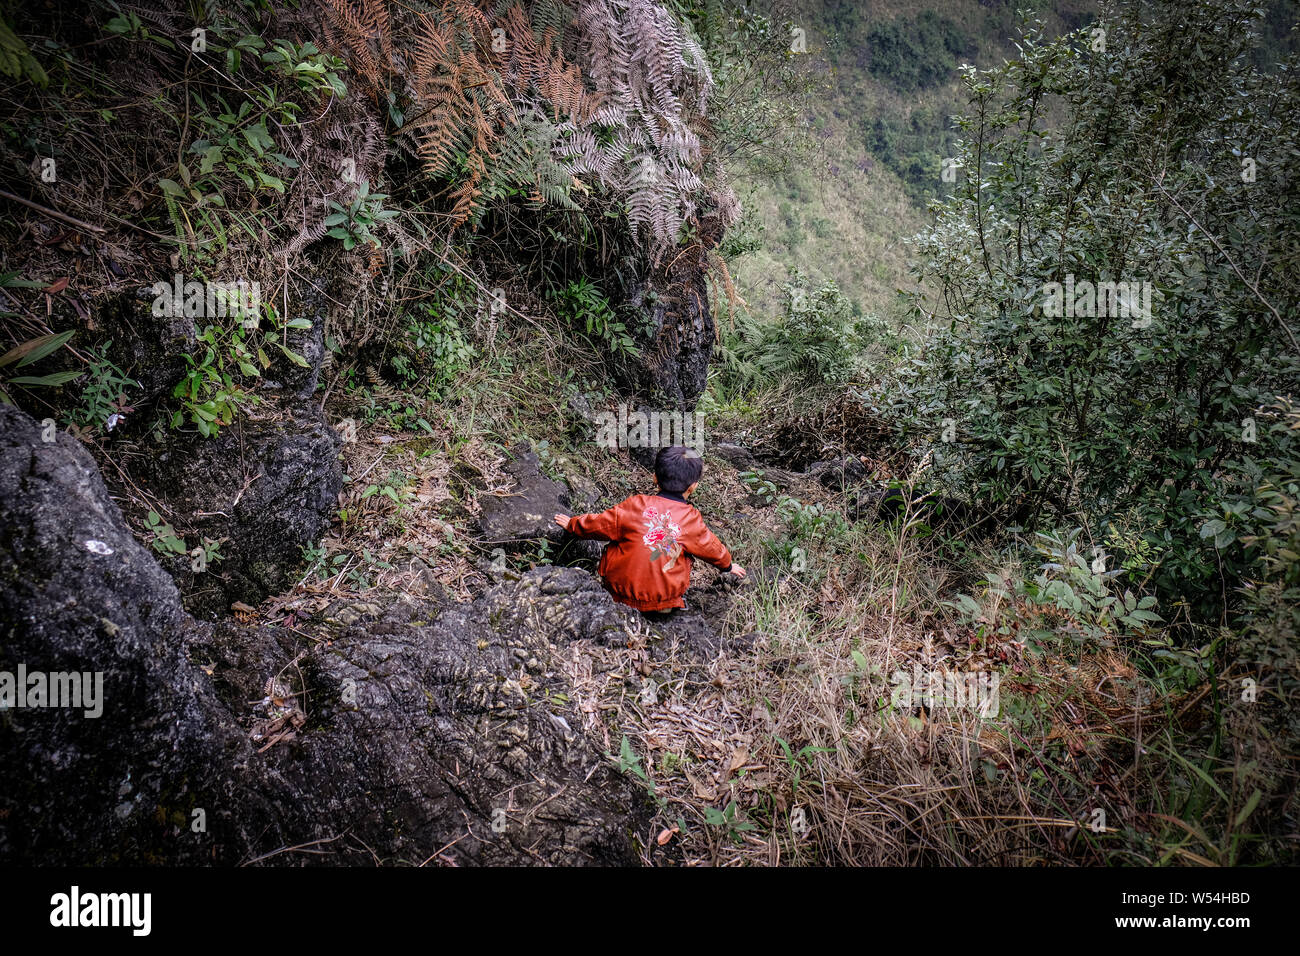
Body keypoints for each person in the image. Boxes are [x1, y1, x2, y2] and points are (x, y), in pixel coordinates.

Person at [554, 445, 746, 612]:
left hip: (617, 596)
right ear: (693, 487)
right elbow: (710, 547)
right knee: (684, 550)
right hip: (663, 603)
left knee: (619, 537)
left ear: (654, 477)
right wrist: (728, 566)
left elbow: (600, 524)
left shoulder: (635, 505)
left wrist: (572, 524)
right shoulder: (691, 519)